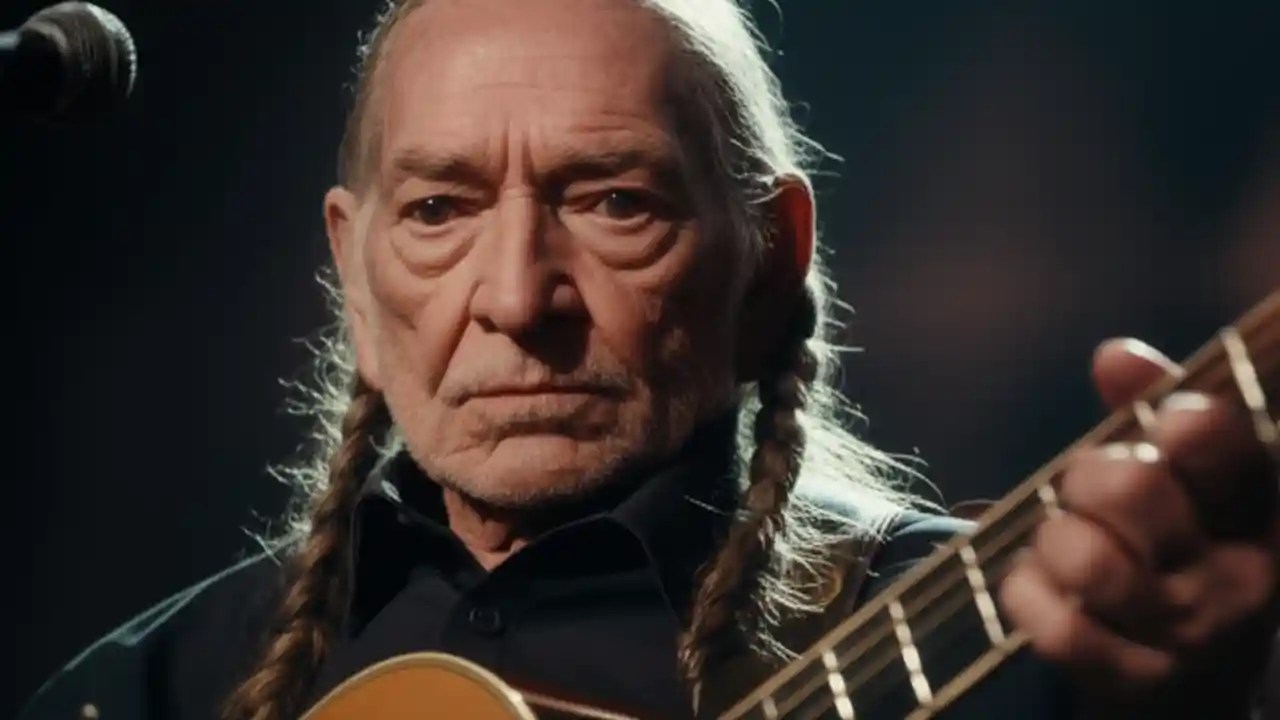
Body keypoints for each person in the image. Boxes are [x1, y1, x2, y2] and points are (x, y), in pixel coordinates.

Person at [20, 1, 1280, 718]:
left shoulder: (1006, 641)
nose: (516, 298)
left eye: (613, 200)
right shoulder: (146, 690)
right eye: (439, 211)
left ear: (770, 256)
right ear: (352, 273)